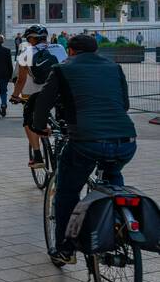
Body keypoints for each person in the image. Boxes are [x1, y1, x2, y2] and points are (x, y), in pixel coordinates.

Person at [32, 33, 137, 266]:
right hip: (126, 139)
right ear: (96, 50)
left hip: (86, 141)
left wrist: (39, 128)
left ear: (70, 51)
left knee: (67, 192)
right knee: (113, 178)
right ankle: (118, 225)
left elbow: (42, 104)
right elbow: (125, 104)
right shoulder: (114, 68)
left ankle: (65, 249)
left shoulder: (62, 69)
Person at [11, 24, 58, 168]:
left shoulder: (26, 52)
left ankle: (37, 156)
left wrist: (14, 96)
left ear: (31, 39)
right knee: (60, 121)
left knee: (29, 122)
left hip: (33, 93)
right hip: (57, 92)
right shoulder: (59, 49)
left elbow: (21, 79)